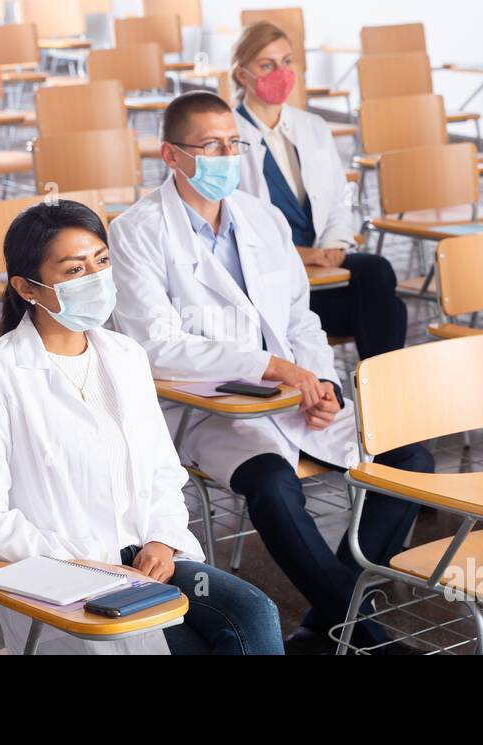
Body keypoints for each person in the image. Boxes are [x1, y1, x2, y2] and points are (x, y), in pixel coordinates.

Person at [109, 92, 434, 654]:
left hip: (290, 395)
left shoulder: (263, 218)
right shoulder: (137, 231)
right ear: (170, 155)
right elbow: (155, 346)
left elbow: (299, 318)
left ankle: (329, 620)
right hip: (203, 409)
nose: (226, 156)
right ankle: (363, 635)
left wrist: (320, 381)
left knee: (412, 459)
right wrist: (267, 365)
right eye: (210, 145)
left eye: (233, 143)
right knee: (273, 486)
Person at [0, 200, 283, 655]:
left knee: (253, 612)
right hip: (70, 577)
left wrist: (163, 540)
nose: (96, 279)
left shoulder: (125, 356)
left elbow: (163, 469)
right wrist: (85, 566)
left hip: (149, 559)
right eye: (74, 270)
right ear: (27, 288)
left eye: (101, 262)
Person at [231, 21, 406, 360]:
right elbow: (235, 225)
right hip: (269, 276)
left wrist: (333, 247)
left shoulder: (312, 127)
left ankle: (381, 385)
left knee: (376, 272)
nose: (280, 73)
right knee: (387, 311)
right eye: (267, 66)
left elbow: (340, 199)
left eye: (286, 62)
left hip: (319, 264)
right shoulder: (227, 137)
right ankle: (380, 389)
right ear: (242, 75)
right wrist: (298, 254)